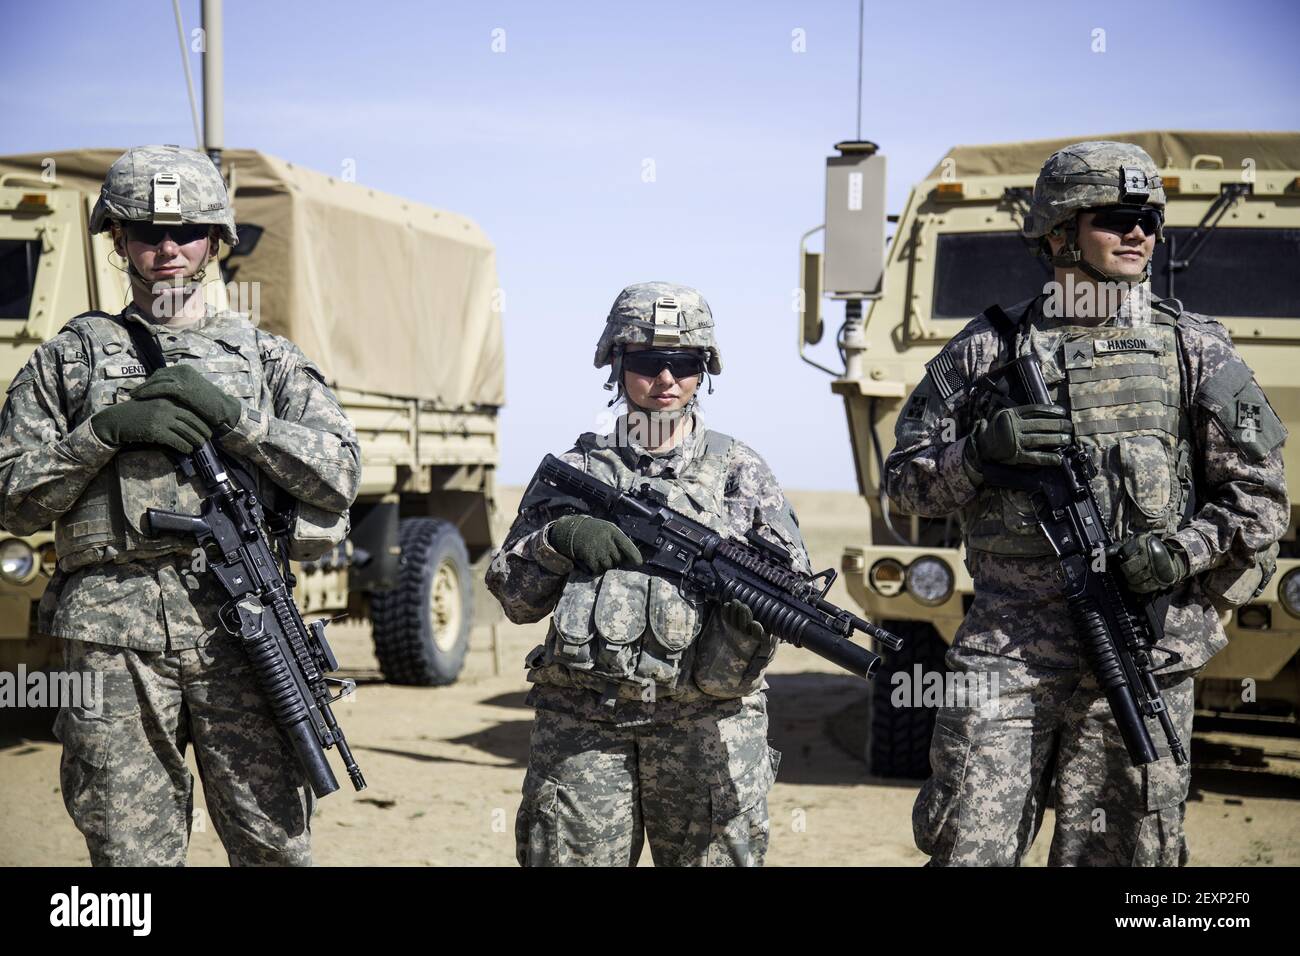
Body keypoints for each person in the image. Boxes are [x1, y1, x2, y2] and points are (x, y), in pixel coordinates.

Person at [884, 141, 1289, 866]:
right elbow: (904, 482)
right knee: (966, 847)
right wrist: (976, 456)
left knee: (1124, 857)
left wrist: (1179, 552)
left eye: (1149, 219)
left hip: (1141, 651)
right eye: (1115, 217)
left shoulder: (1193, 348)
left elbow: (1261, 500)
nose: (1139, 233)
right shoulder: (985, 352)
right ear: (1058, 232)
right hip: (1011, 653)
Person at [0, 145, 361, 866]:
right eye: (145, 233)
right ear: (117, 241)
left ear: (216, 241)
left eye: (187, 232)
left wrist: (240, 421)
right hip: (111, 634)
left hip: (245, 630)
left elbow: (340, 474)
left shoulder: (268, 361)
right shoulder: (69, 360)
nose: (167, 249)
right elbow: (13, 500)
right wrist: (100, 436)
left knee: (275, 845)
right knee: (128, 850)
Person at [486, 282, 810, 866]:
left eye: (683, 364)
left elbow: (796, 592)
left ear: (703, 370)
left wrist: (749, 596)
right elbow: (513, 596)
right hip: (585, 725)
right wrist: (558, 541)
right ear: (617, 364)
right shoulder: (577, 472)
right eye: (647, 363)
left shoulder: (740, 472)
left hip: (706, 725)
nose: (666, 380)